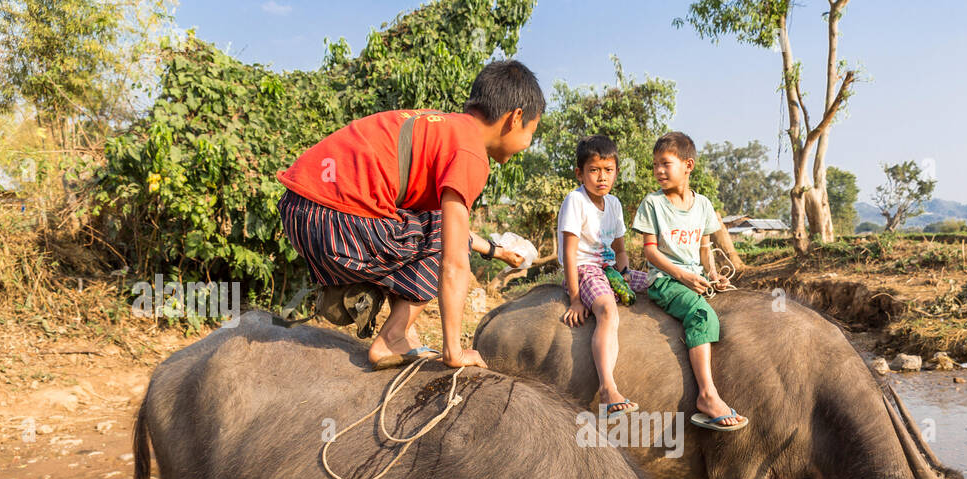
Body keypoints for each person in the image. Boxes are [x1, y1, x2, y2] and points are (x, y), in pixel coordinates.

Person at [276, 59, 544, 370]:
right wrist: (454, 351)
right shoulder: (471, 152)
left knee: (421, 221)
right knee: (439, 230)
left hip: (303, 209)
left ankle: (403, 331)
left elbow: (437, 229)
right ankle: (393, 337)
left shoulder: (441, 127)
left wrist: (496, 252)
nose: (527, 144)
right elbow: (453, 256)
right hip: (338, 219)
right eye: (532, 132)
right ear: (516, 118)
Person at [632, 131, 747, 430]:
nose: (658, 170)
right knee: (701, 314)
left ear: (688, 165)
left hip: (695, 277)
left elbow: (704, 247)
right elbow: (651, 252)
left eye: (665, 164)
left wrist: (713, 275)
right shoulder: (652, 204)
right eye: (655, 164)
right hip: (666, 281)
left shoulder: (704, 205)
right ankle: (707, 395)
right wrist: (682, 275)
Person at [557, 134, 653, 417]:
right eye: (594, 170)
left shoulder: (614, 204)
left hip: (610, 269)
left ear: (616, 172)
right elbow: (571, 254)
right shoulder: (575, 201)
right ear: (580, 173)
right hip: (585, 268)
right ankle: (607, 388)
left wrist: (625, 277)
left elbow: (620, 250)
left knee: (657, 283)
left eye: (608, 170)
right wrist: (575, 299)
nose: (602, 177)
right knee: (608, 310)